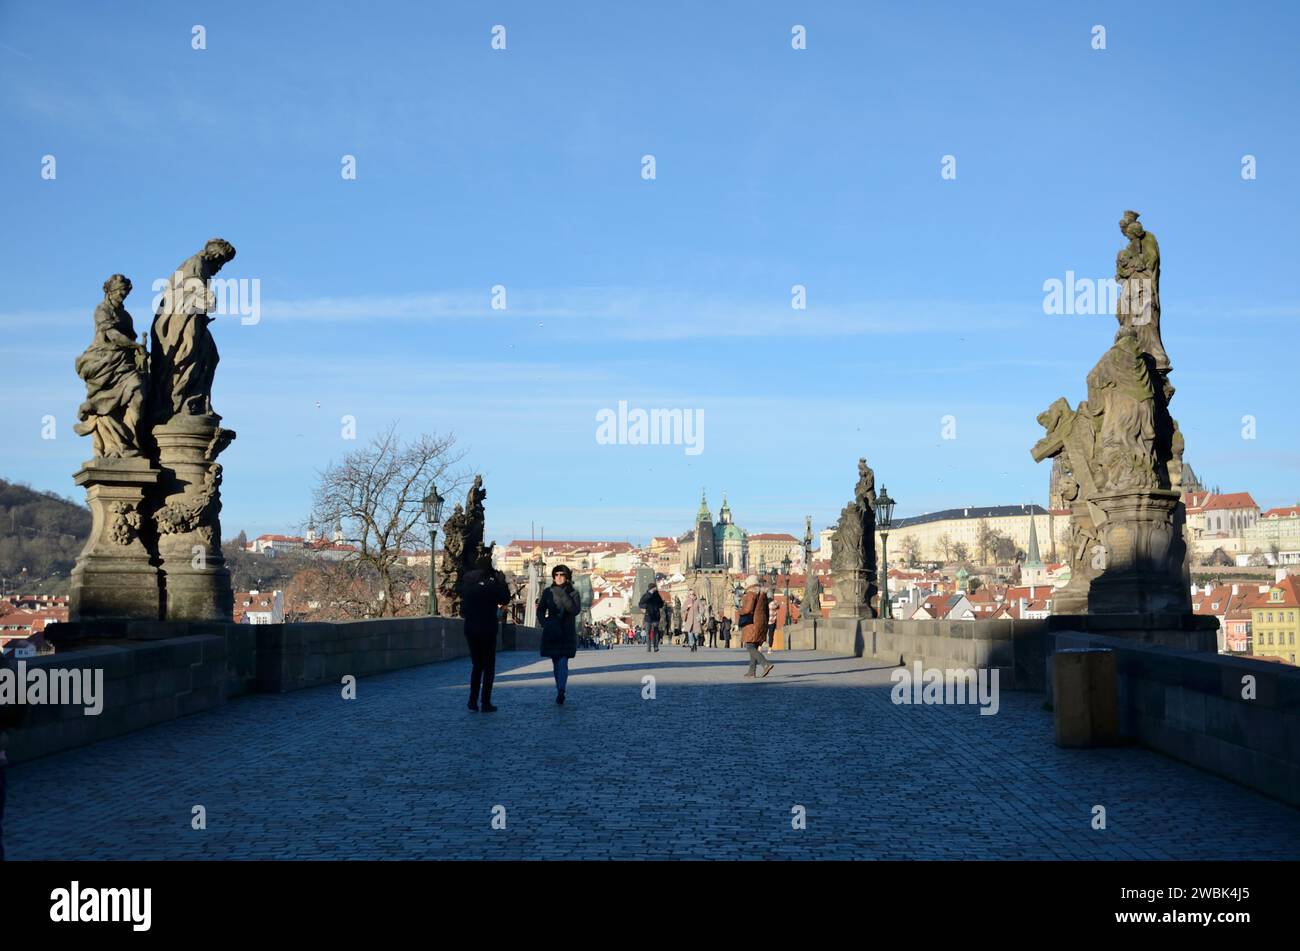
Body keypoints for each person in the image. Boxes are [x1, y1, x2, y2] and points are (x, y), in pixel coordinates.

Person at [459, 555, 512, 712]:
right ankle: (485, 702)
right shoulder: (492, 584)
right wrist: (501, 581)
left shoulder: (468, 584)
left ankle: (472, 700)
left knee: (477, 666)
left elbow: (462, 611)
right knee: (488, 667)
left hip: (471, 629)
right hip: (488, 629)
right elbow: (505, 599)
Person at [539, 564, 581, 704]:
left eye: (561, 575)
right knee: (556, 662)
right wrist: (545, 623)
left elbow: (574, 610)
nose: (558, 577)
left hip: (566, 632)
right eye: (556, 574)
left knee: (563, 661)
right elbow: (540, 610)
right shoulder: (547, 592)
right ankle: (559, 688)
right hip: (552, 631)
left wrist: (562, 593)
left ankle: (561, 690)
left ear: (567, 577)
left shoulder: (574, 593)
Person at [739, 575, 775, 678]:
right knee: (754, 646)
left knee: (749, 646)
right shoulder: (763, 594)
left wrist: (740, 611)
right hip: (761, 622)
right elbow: (767, 610)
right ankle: (751, 671)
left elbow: (748, 609)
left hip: (752, 623)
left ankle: (765, 664)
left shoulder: (751, 593)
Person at [639, 582, 665, 652]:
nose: (655, 589)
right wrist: (646, 606)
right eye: (654, 587)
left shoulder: (657, 595)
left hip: (656, 616)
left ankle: (656, 647)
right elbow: (640, 604)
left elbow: (661, 604)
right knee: (647, 632)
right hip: (648, 616)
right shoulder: (646, 595)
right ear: (651, 588)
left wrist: (658, 606)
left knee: (656, 632)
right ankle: (648, 647)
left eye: (655, 587)